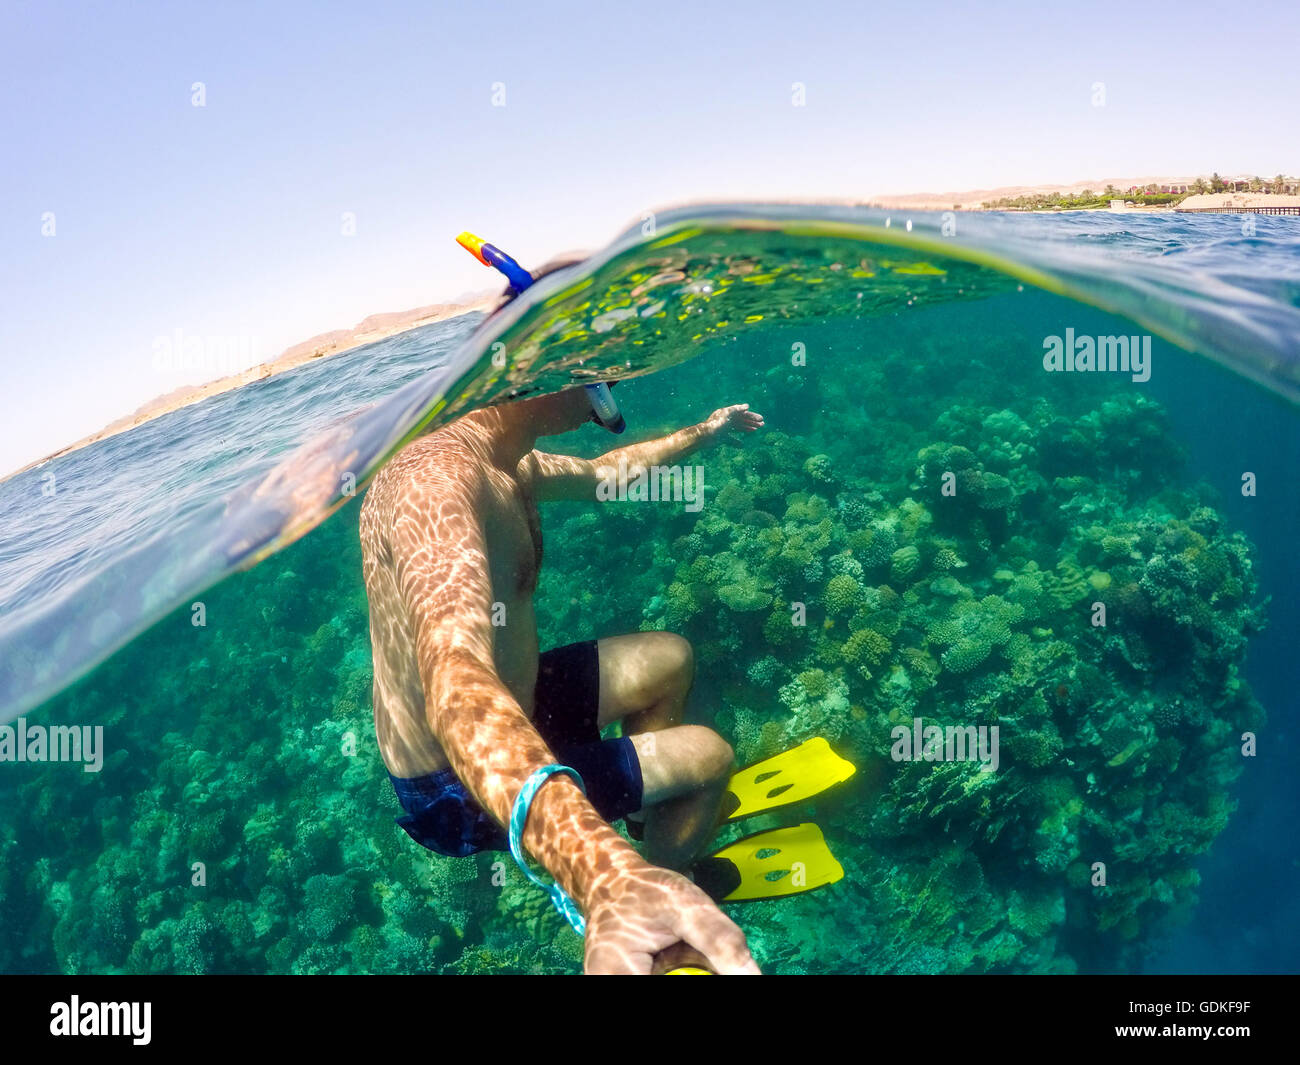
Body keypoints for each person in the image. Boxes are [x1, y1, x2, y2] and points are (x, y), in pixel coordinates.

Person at [360, 245, 765, 974]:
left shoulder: (505, 458)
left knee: (670, 658)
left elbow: (610, 473)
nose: (610, 395)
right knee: (712, 757)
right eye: (606, 371)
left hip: (521, 704)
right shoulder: (435, 483)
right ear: (547, 357)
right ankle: (659, 891)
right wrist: (603, 872)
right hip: (456, 783)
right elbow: (454, 686)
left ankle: (646, 823)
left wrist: (707, 430)